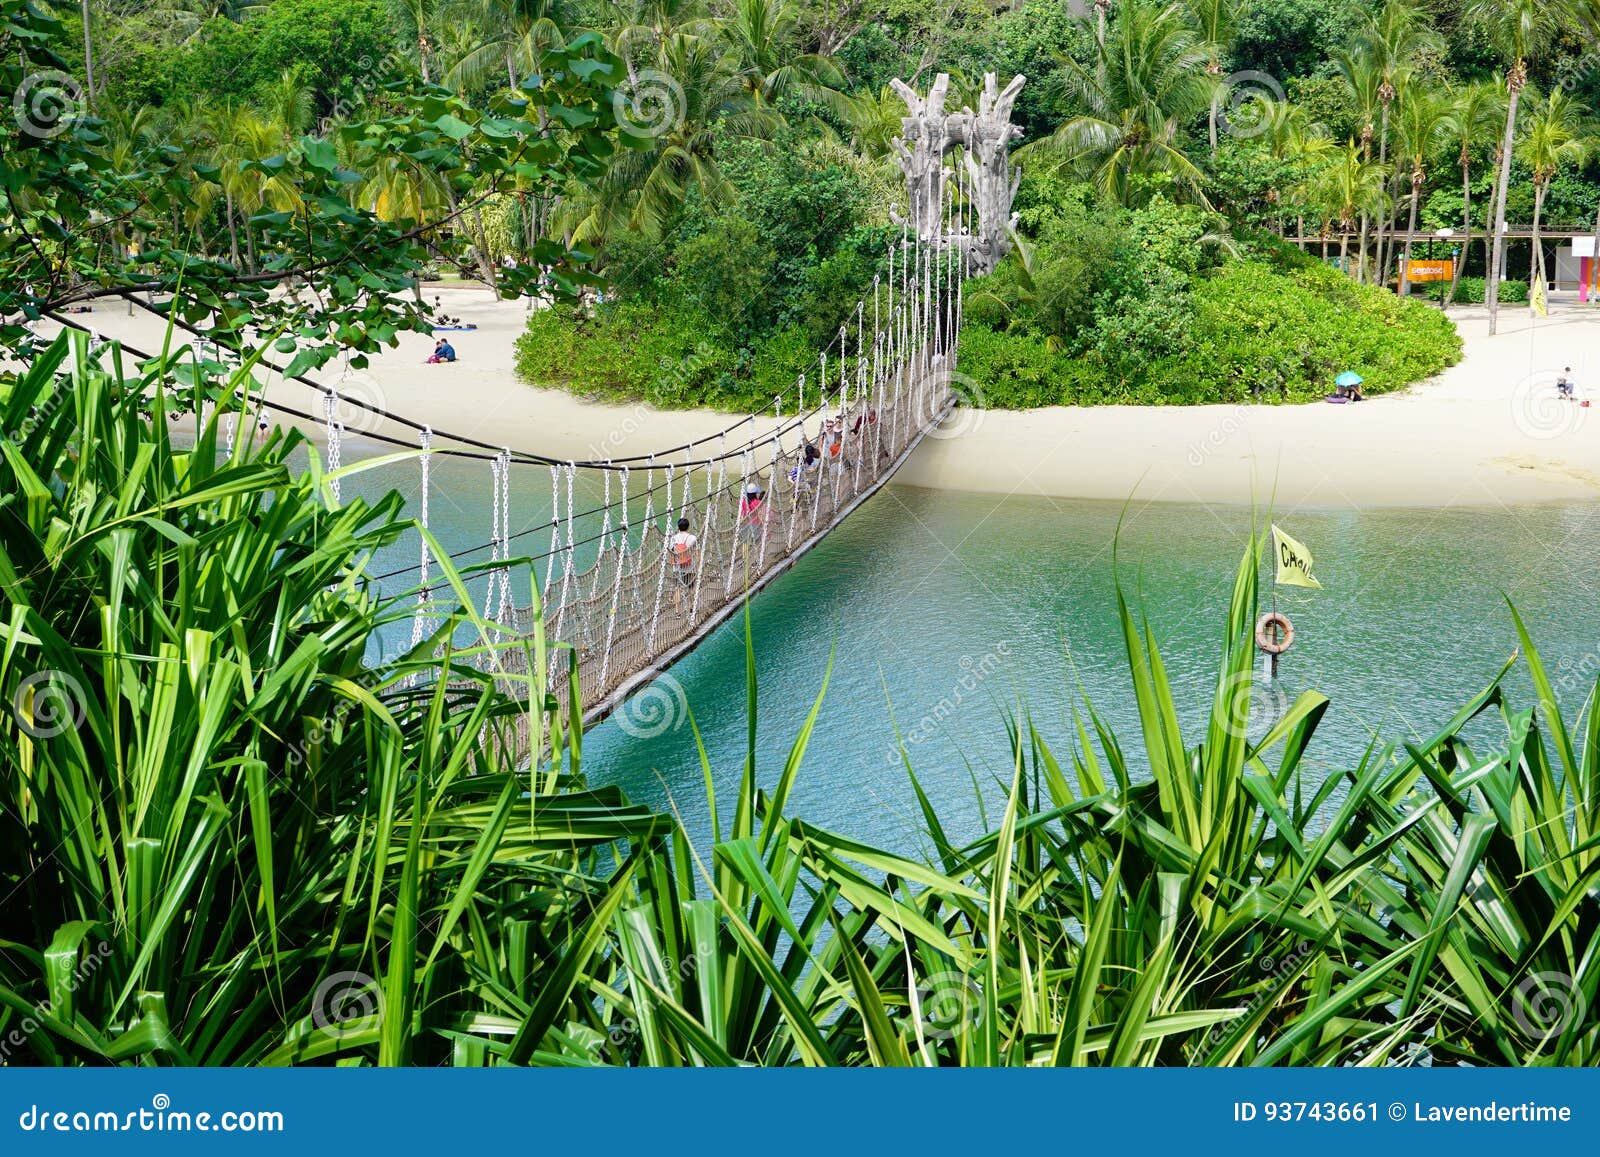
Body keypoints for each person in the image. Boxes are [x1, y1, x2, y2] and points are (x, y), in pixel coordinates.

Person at [669, 516, 697, 612]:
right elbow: (697, 552)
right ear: (688, 527)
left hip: (677, 567)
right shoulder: (692, 538)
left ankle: (677, 610)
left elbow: (671, 552)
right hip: (689, 567)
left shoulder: (673, 538)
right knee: (690, 587)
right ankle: (691, 607)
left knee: (677, 588)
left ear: (678, 527)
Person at [739, 482, 766, 547]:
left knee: (745, 544)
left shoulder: (743, 502)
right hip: (756, 526)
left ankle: (744, 553)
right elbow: (761, 514)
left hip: (745, 525)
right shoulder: (758, 502)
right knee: (757, 544)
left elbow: (742, 513)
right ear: (755, 493)